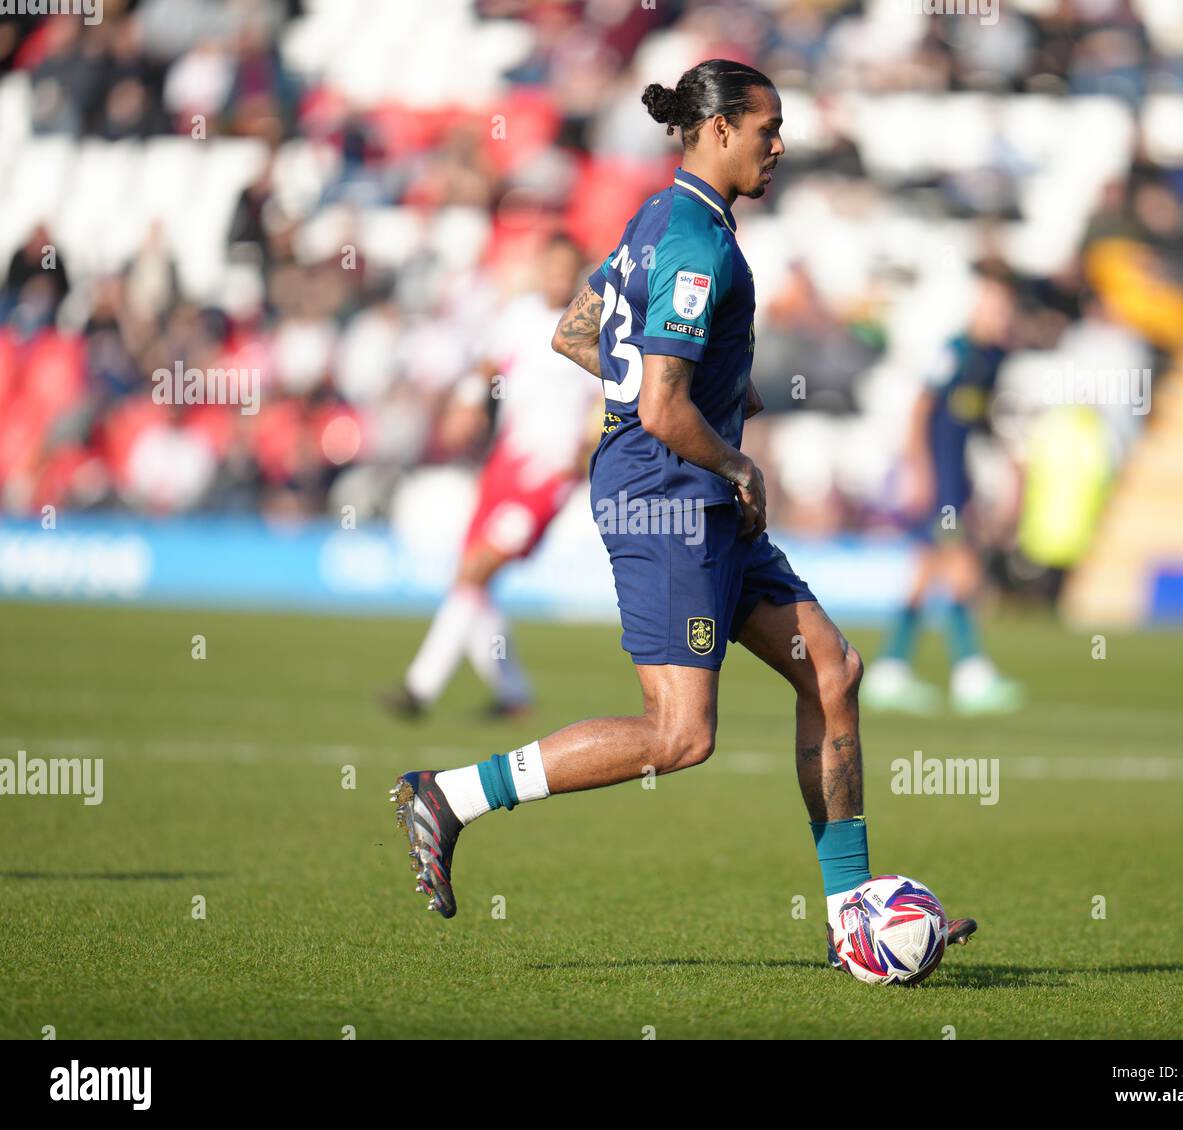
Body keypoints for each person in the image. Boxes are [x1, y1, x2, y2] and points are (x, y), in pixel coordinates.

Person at [390, 60, 976, 967]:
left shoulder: (658, 219)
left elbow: (577, 330)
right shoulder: (697, 241)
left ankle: (853, 911)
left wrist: (706, 403)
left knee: (830, 667)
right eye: (766, 127)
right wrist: (732, 453)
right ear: (716, 130)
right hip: (671, 494)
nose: (779, 145)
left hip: (685, 483)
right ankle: (453, 795)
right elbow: (661, 406)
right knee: (681, 734)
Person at [381, 236, 603, 718]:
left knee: (476, 570)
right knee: (472, 576)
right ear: (543, 268)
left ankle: (418, 690)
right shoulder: (520, 316)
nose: (561, 277)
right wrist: (467, 403)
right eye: (554, 266)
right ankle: (515, 695)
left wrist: (585, 453)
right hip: (506, 462)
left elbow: (609, 399)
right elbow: (487, 367)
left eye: (570, 269)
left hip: (549, 473)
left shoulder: (593, 327)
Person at [863, 261, 1026, 715]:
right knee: (961, 569)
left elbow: (983, 422)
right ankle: (971, 674)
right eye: (994, 308)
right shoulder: (955, 351)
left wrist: (1009, 470)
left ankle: (890, 671)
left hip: (958, 478)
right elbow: (920, 410)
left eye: (1004, 309)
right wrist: (920, 472)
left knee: (925, 572)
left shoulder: (993, 360)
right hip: (940, 477)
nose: (1000, 317)